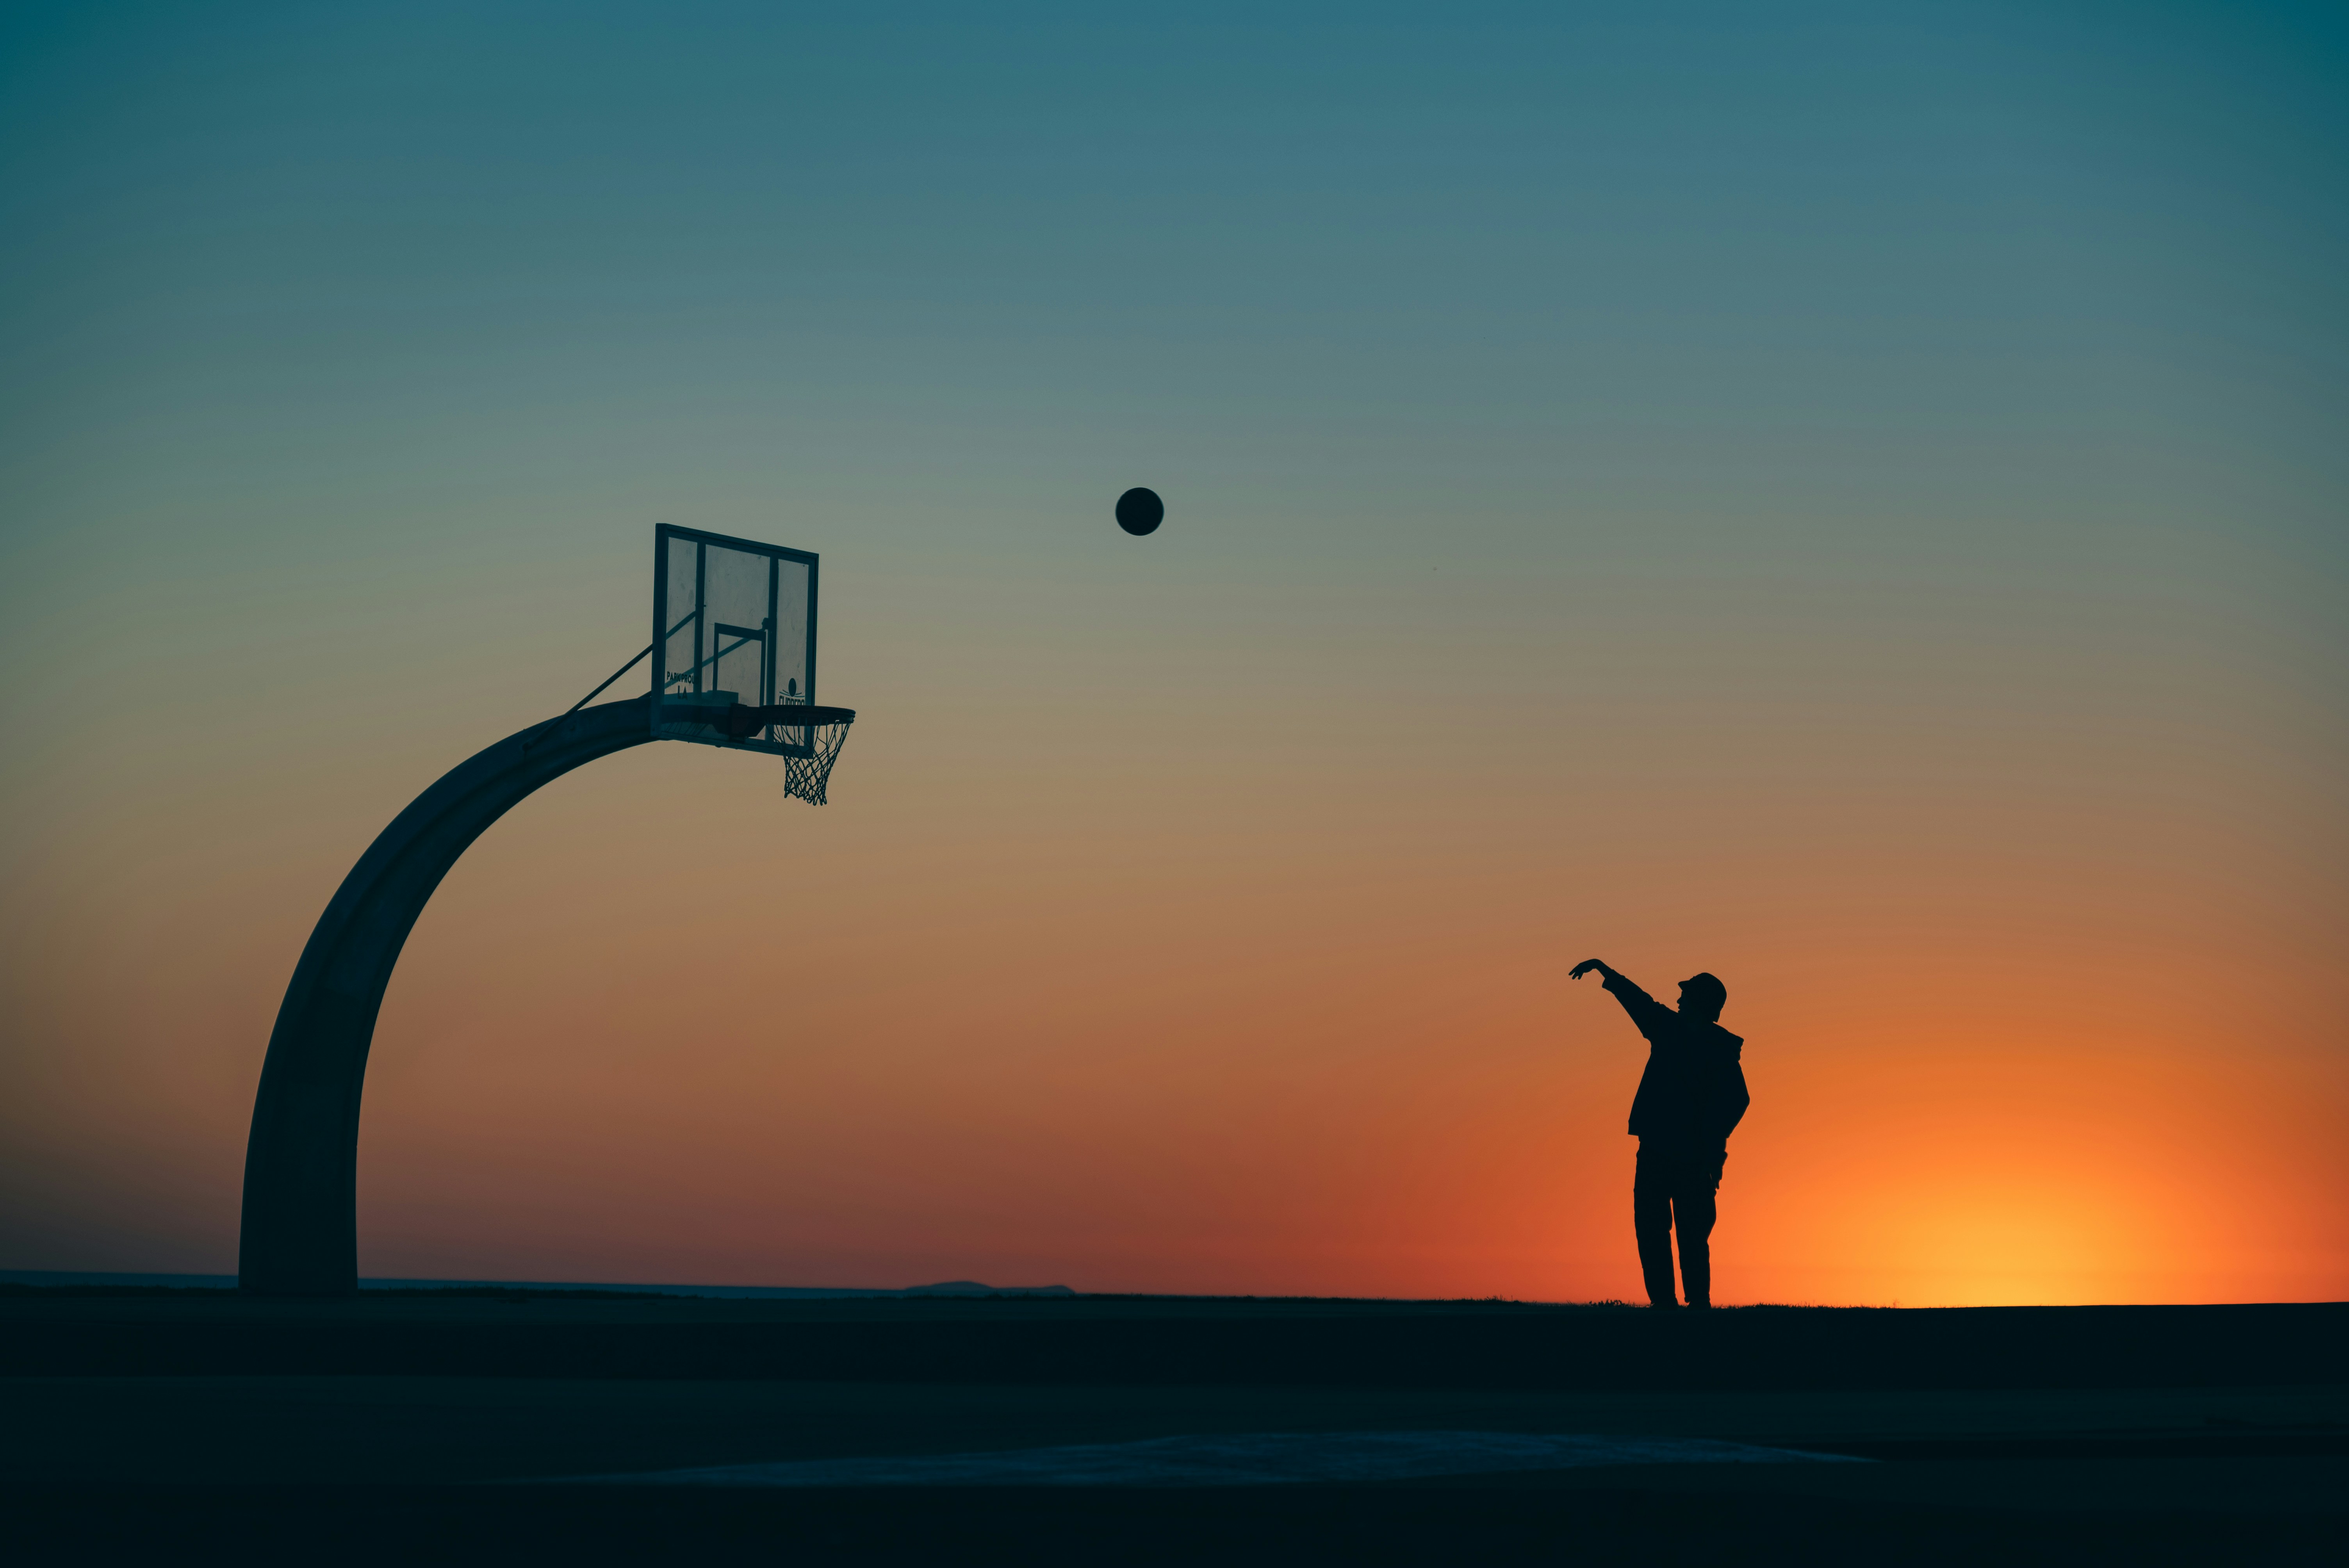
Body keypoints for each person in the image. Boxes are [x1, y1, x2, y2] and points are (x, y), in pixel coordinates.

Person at [1569, 960, 1749, 1309]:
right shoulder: (1710, 1046)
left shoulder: (1678, 1034)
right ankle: (1680, 1305)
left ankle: (1685, 1305)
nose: (1678, 1001)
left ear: (1699, 1004)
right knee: (1667, 1232)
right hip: (1680, 1155)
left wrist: (1712, 1146)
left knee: (1679, 1233)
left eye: (1685, 996)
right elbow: (1640, 1002)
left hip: (1677, 1156)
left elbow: (1641, 1003)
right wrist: (1605, 971)